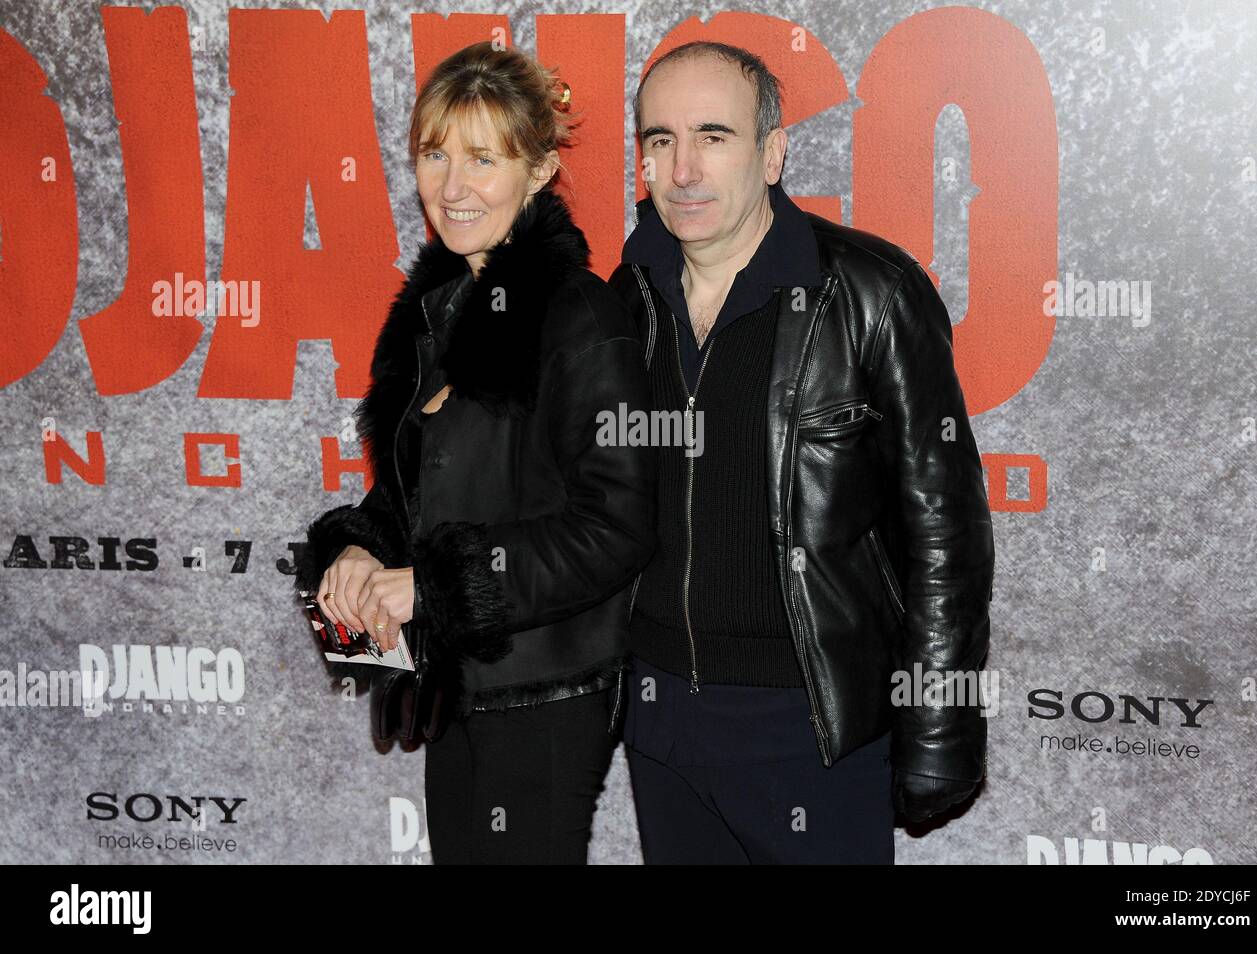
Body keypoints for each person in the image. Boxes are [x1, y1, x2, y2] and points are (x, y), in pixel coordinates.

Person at [607, 41, 996, 864]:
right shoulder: (626, 295)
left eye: (714, 136)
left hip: (812, 727)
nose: (683, 169)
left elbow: (944, 530)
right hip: (659, 717)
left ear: (773, 152)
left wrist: (938, 724)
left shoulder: (870, 292)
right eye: (659, 139)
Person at [295, 42, 655, 864]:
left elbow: (617, 528)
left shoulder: (580, 320)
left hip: (543, 697)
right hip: (456, 681)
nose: (452, 188)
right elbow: (424, 494)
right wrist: (359, 547)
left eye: (483, 158)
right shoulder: (437, 309)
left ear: (538, 169)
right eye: (434, 154)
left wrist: (440, 586)